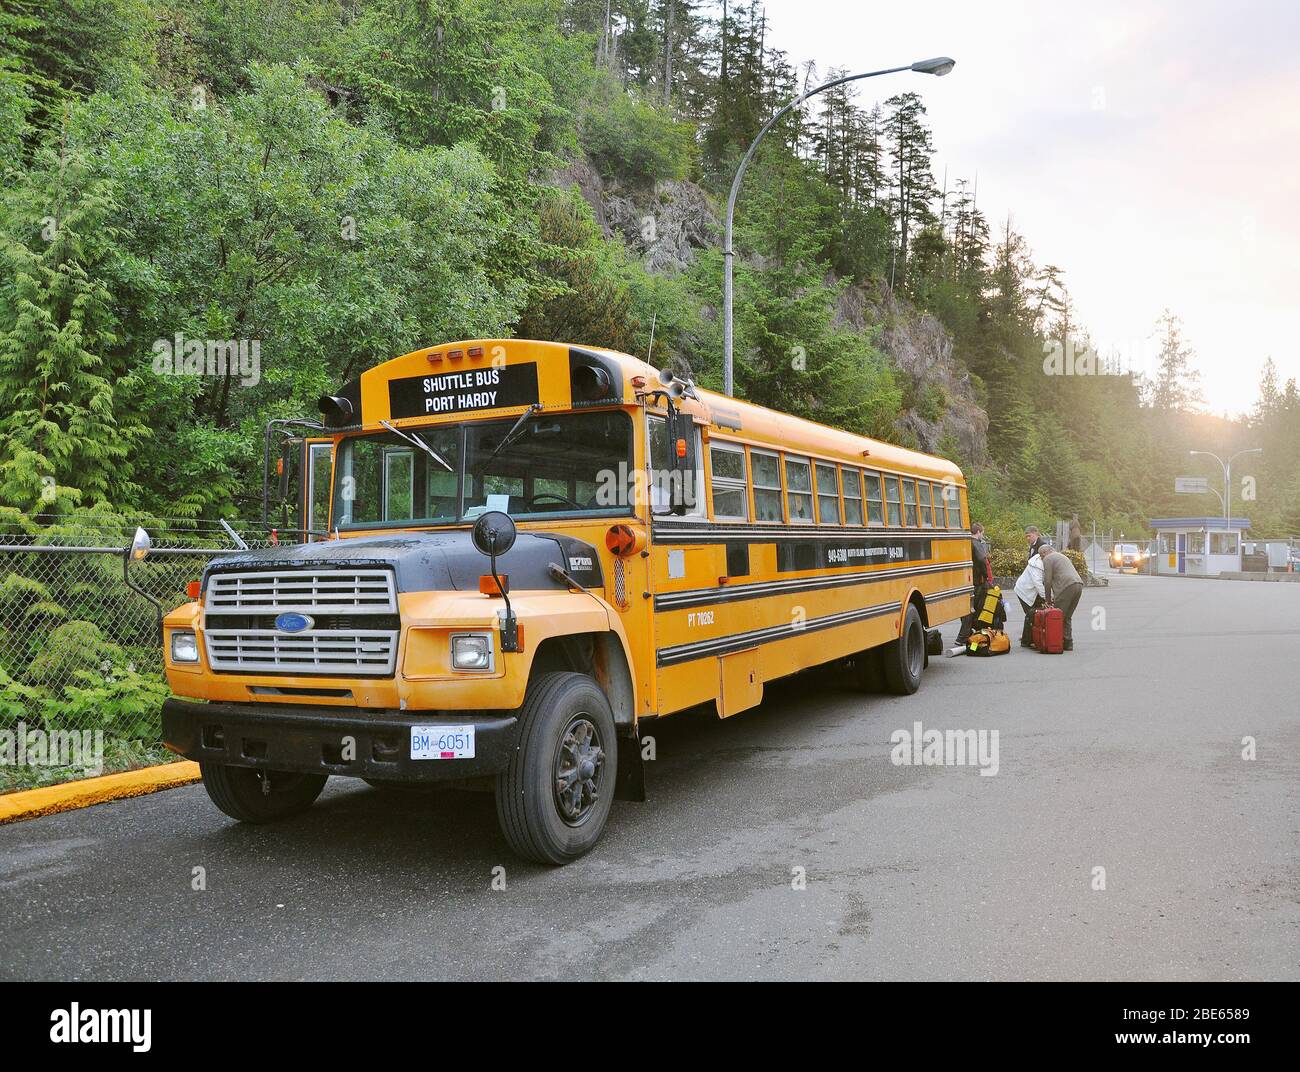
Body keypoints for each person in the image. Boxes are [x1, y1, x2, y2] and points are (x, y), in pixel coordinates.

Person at [1039, 541, 1084, 651]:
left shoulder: (1048, 559)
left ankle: (1056, 643)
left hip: (1066, 587)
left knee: (1057, 616)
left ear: (1045, 552)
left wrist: (1048, 600)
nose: (1041, 558)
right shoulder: (1061, 556)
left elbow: (1048, 581)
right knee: (1067, 616)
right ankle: (1068, 643)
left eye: (1041, 555)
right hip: (1078, 585)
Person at [956, 522, 992, 645]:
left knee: (967, 609)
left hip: (965, 580)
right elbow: (982, 559)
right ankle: (965, 637)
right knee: (974, 609)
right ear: (978, 532)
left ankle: (968, 635)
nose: (982, 535)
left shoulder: (965, 543)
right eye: (982, 533)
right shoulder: (976, 544)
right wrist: (986, 576)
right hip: (977, 582)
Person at [1013, 536, 1046, 647]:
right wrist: (1046, 597)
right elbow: (1038, 583)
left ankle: (1031, 637)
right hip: (1023, 591)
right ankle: (1026, 641)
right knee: (1031, 614)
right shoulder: (1036, 565)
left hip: (1029, 590)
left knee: (1033, 613)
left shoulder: (1040, 560)